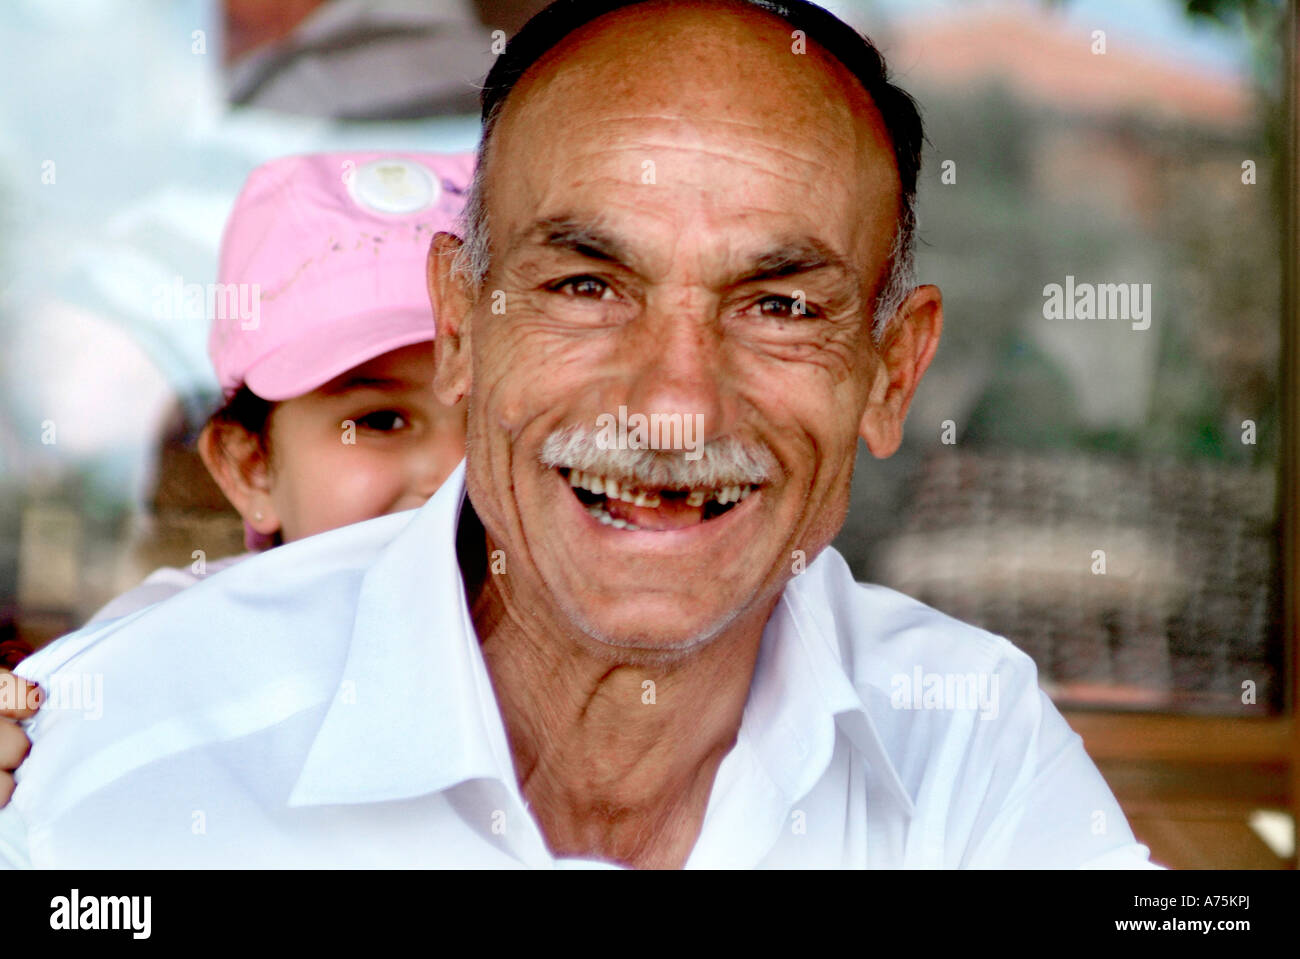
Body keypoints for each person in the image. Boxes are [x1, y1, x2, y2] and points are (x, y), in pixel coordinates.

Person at [0, 0, 1158, 868]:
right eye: (587, 286)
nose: (673, 409)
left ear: (889, 374)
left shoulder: (961, 740)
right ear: (459, 326)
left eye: (779, 306)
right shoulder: (126, 752)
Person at [0, 149, 472, 810]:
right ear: (251, 466)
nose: (454, 473)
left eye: (487, 417)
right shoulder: (157, 663)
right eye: (381, 419)